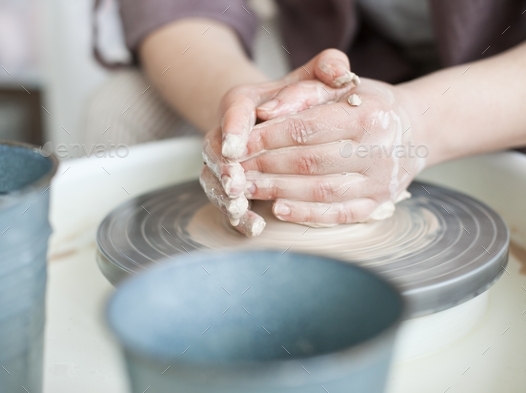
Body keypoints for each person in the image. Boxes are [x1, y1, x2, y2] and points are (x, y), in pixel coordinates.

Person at [113, 0, 526, 235]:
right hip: (341, 49)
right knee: (119, 106)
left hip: (504, 73)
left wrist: (416, 122)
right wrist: (255, 119)